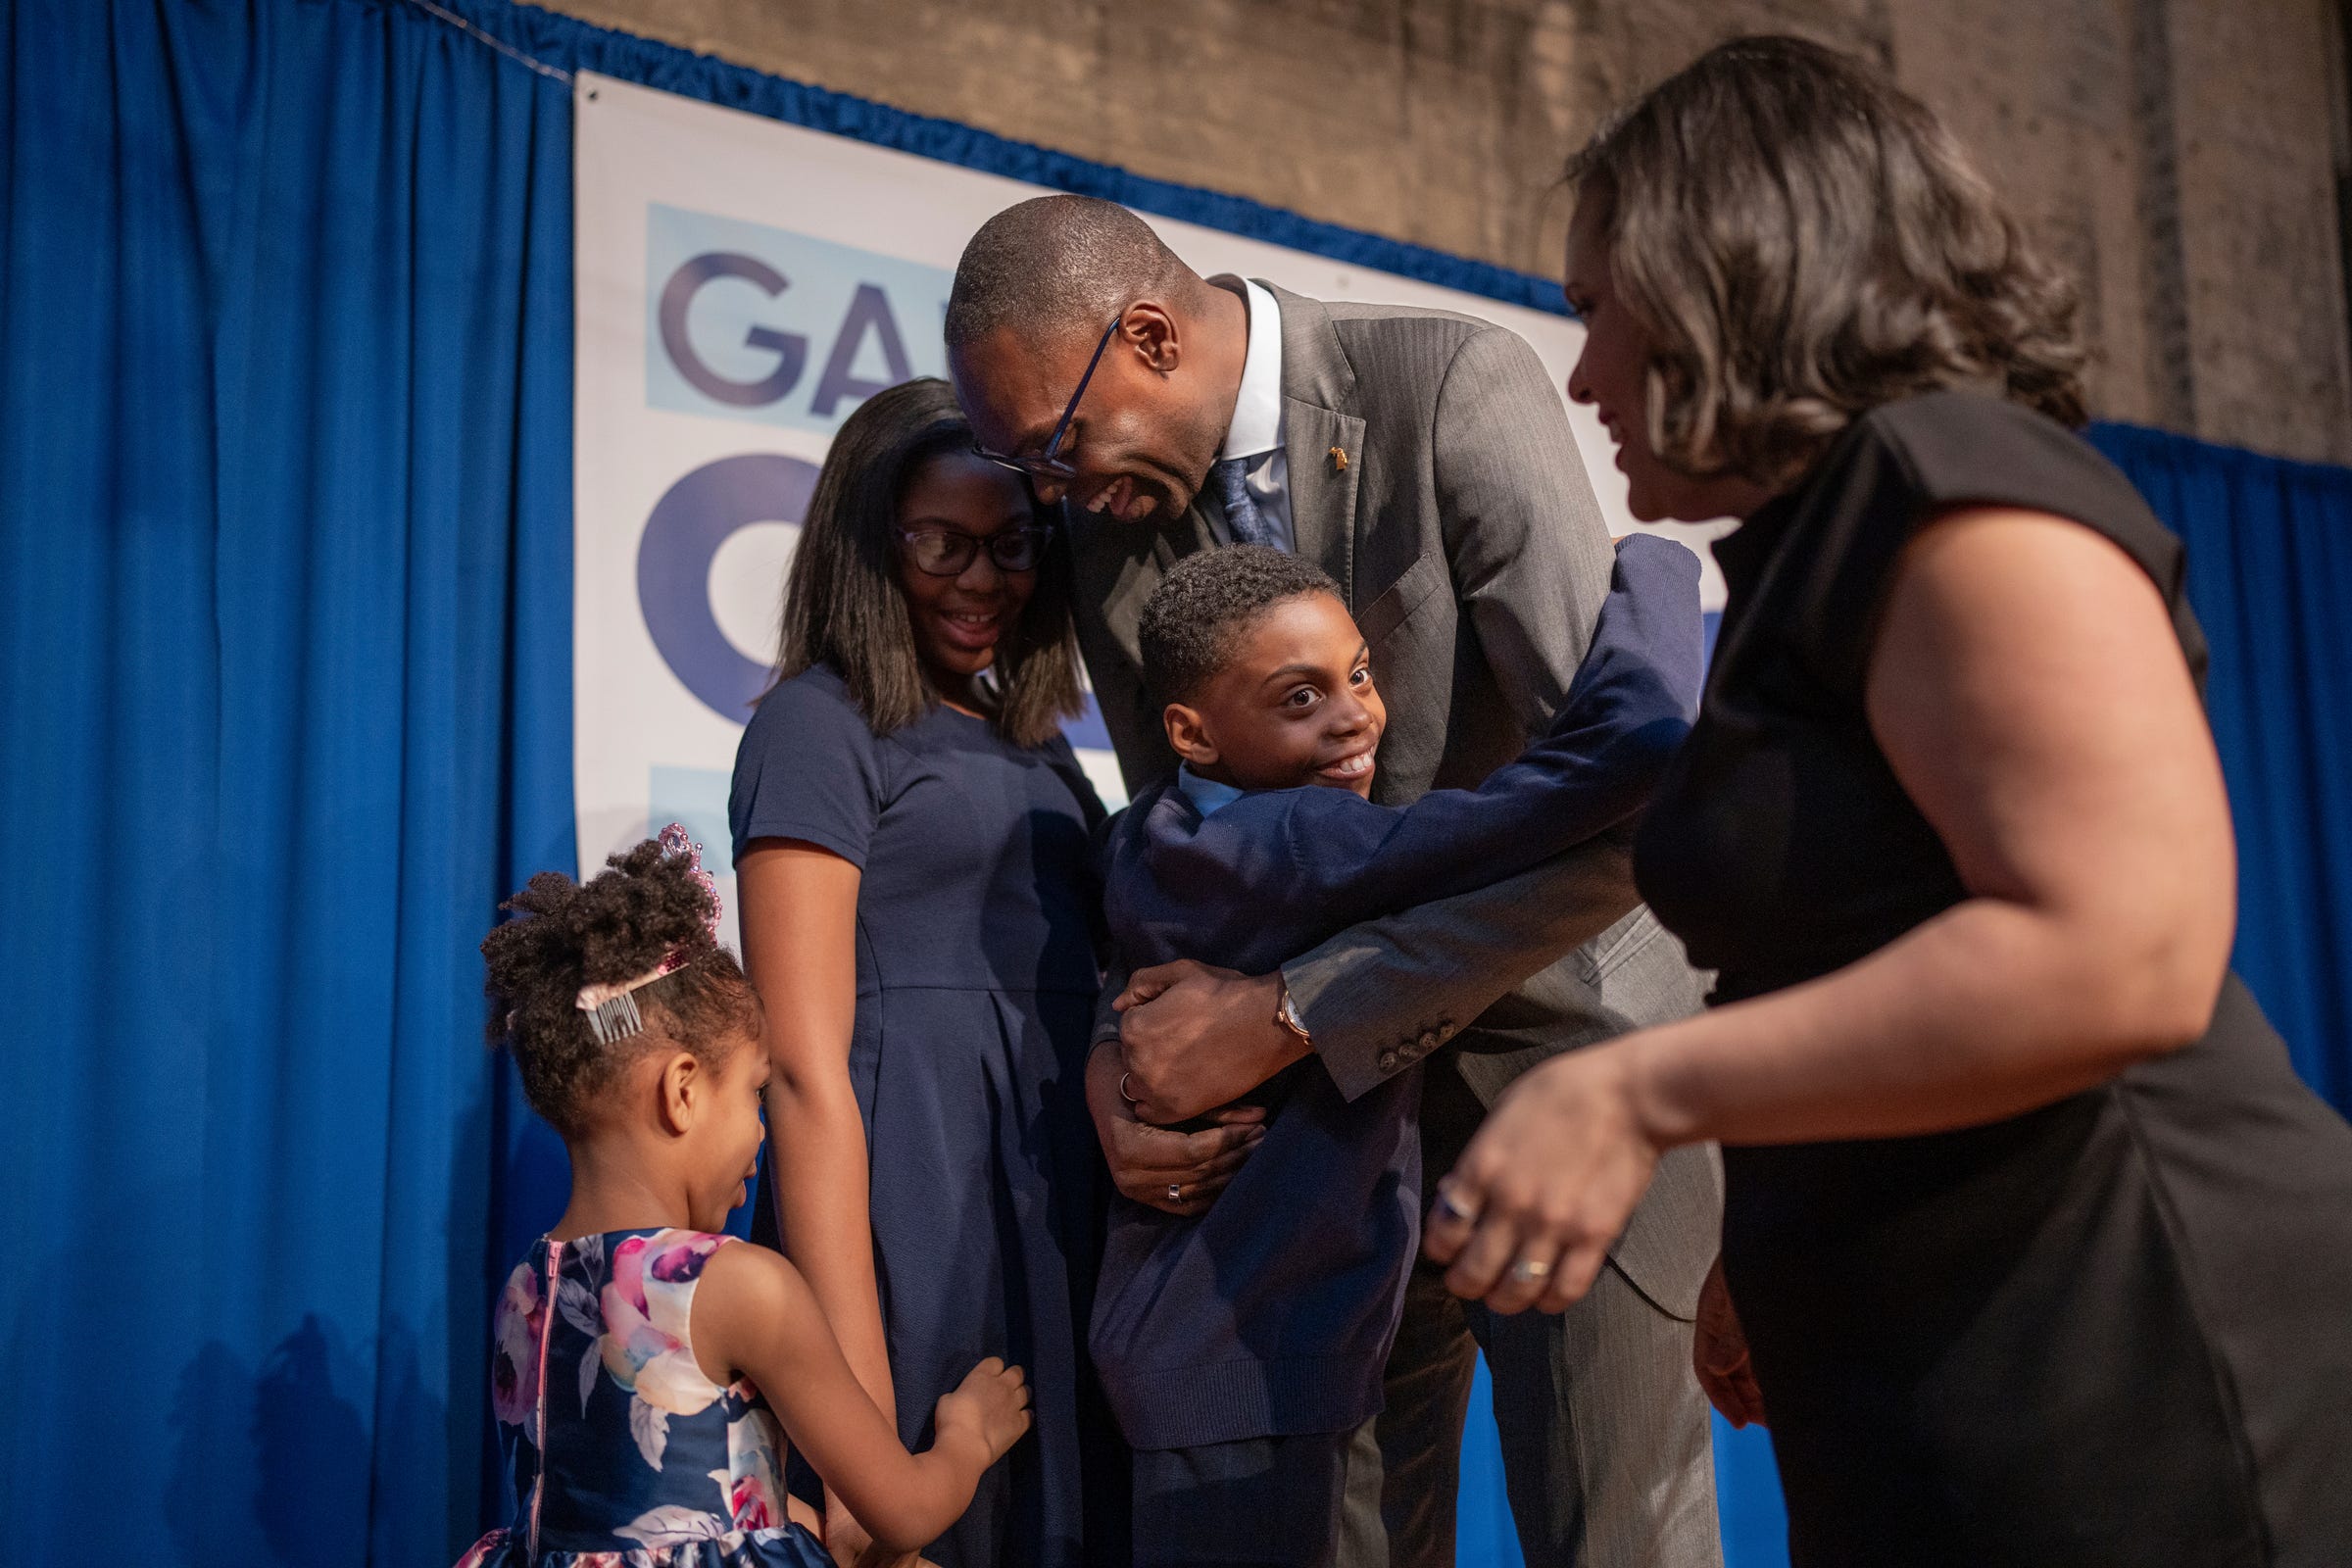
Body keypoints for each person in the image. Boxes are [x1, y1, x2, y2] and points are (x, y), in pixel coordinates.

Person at [1422, 35, 2352, 1568]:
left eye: (1595, 308)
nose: (1581, 374)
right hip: (1933, 1354)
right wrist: (1768, 1238)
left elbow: (2122, 953)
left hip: (2136, 1342)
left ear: (1728, 269)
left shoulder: (1953, 483)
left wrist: (1640, 1089)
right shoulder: (1805, 558)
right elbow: (1856, 950)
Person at [947, 195, 1723, 1568]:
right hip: (1332, 1157)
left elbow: (1629, 812)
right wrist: (1119, 1068)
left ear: (1147, 334)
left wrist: (1306, 1008)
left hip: (1574, 1068)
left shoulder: (1448, 385)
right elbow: (1183, 863)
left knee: (1614, 1543)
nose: (1055, 501)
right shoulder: (1115, 530)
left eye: (1057, 450)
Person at [1094, 537, 1700, 1568]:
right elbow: (1617, 759)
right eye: (1300, 699)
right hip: (1260, 1358)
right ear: (1191, 730)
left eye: (1361, 673)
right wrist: (1659, 571)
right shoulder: (1303, 842)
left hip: (1181, 1344)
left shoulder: (1144, 832)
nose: (1353, 717)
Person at [728, 379, 1118, 1568]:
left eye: (1012, 544)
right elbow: (801, 1071)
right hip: (915, 1204)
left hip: (1063, 1211)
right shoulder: (816, 724)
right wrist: (854, 1424)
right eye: (944, 542)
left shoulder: (1036, 742)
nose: (984, 579)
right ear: (866, 541)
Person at [460, 828, 1033, 1568]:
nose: (762, 1134)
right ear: (684, 1090)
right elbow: (905, 1511)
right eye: (755, 1092)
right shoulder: (738, 1287)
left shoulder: (524, 1291)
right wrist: (966, 1436)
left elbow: (657, 1495)